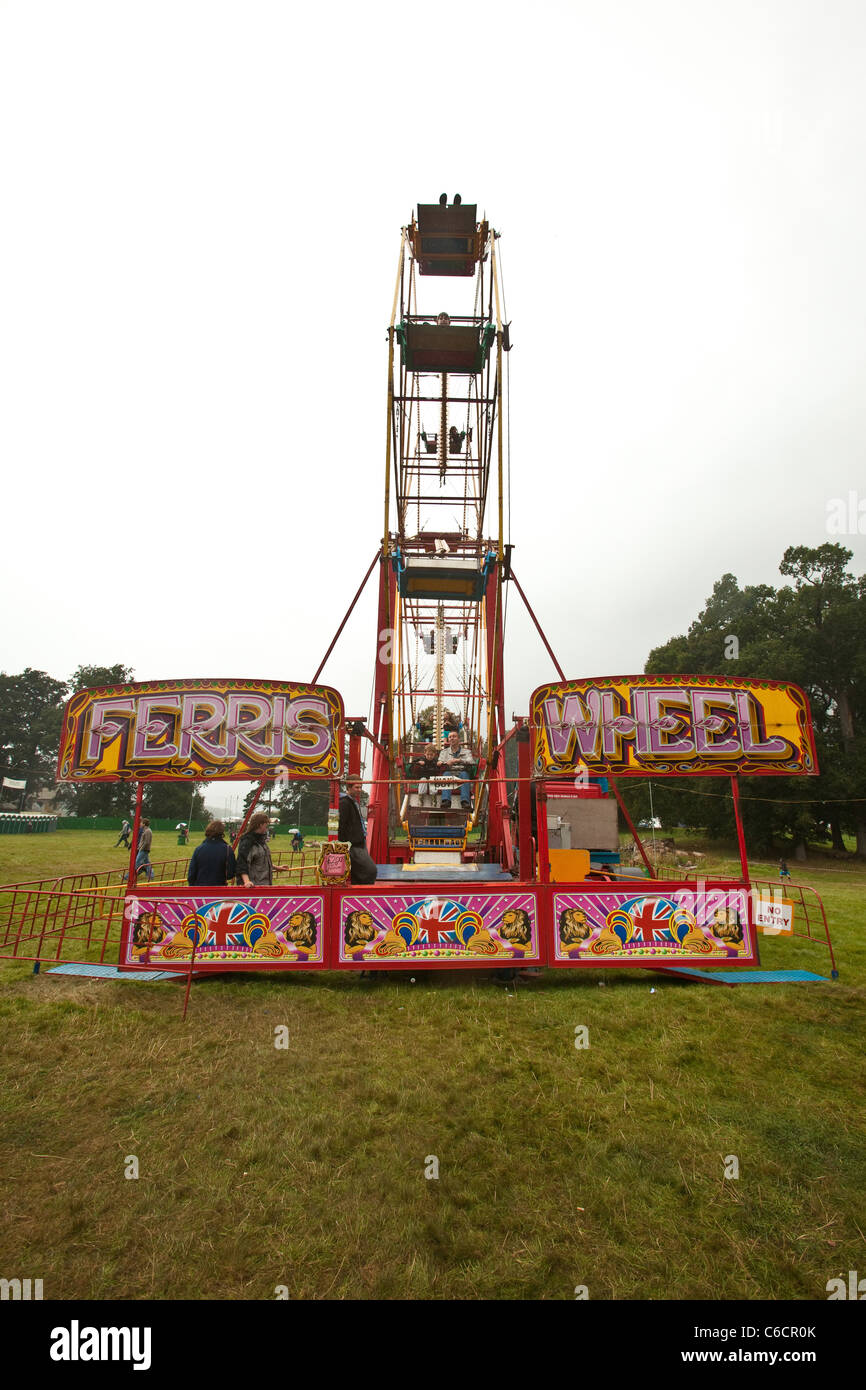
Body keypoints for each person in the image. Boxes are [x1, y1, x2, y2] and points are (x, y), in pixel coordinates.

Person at [338, 778, 377, 884]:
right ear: (349, 788)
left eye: (360, 787)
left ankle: (356, 893)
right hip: (353, 844)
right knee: (370, 871)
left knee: (358, 873)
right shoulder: (345, 803)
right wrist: (344, 844)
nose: (359, 790)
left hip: (358, 841)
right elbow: (341, 825)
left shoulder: (352, 802)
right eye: (357, 787)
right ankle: (364, 894)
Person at [236, 811, 288, 887]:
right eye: (266, 825)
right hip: (253, 887)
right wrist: (246, 882)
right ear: (260, 825)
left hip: (265, 885)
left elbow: (261, 861)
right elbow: (242, 864)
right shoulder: (247, 842)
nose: (267, 828)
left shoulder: (261, 841)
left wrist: (277, 868)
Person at [187, 820, 237, 887]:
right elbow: (230, 874)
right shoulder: (228, 850)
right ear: (222, 832)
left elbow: (191, 874)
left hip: (200, 889)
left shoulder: (198, 849)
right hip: (219, 889)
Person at [437, 731, 473, 810]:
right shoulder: (444, 752)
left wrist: (458, 760)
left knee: (464, 774)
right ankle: (446, 800)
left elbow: (470, 761)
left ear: (458, 739)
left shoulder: (467, 752)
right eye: (450, 737)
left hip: (461, 772)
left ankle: (465, 801)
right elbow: (439, 762)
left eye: (454, 736)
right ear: (448, 740)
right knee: (446, 774)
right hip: (450, 772)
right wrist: (446, 762)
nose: (452, 738)